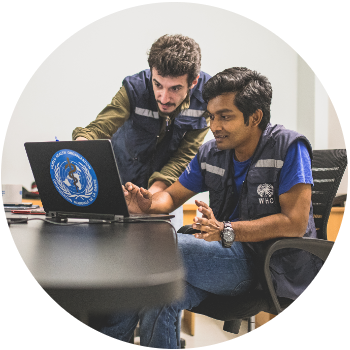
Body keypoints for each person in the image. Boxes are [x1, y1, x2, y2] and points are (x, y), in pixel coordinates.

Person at [99, 67, 322, 349]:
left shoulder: (289, 147)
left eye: (225, 116)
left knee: (156, 247)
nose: (214, 125)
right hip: (225, 254)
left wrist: (227, 229)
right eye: (212, 116)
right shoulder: (211, 152)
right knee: (159, 295)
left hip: (268, 264)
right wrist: (148, 205)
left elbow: (295, 222)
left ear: (255, 117)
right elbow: (170, 197)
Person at [72, 34, 211, 196]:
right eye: (157, 84)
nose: (164, 98)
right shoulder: (134, 88)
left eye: (175, 88)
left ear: (193, 82)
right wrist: (78, 150)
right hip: (120, 183)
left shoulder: (207, 97)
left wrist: (150, 196)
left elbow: (185, 155)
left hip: (163, 189)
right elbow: (98, 129)